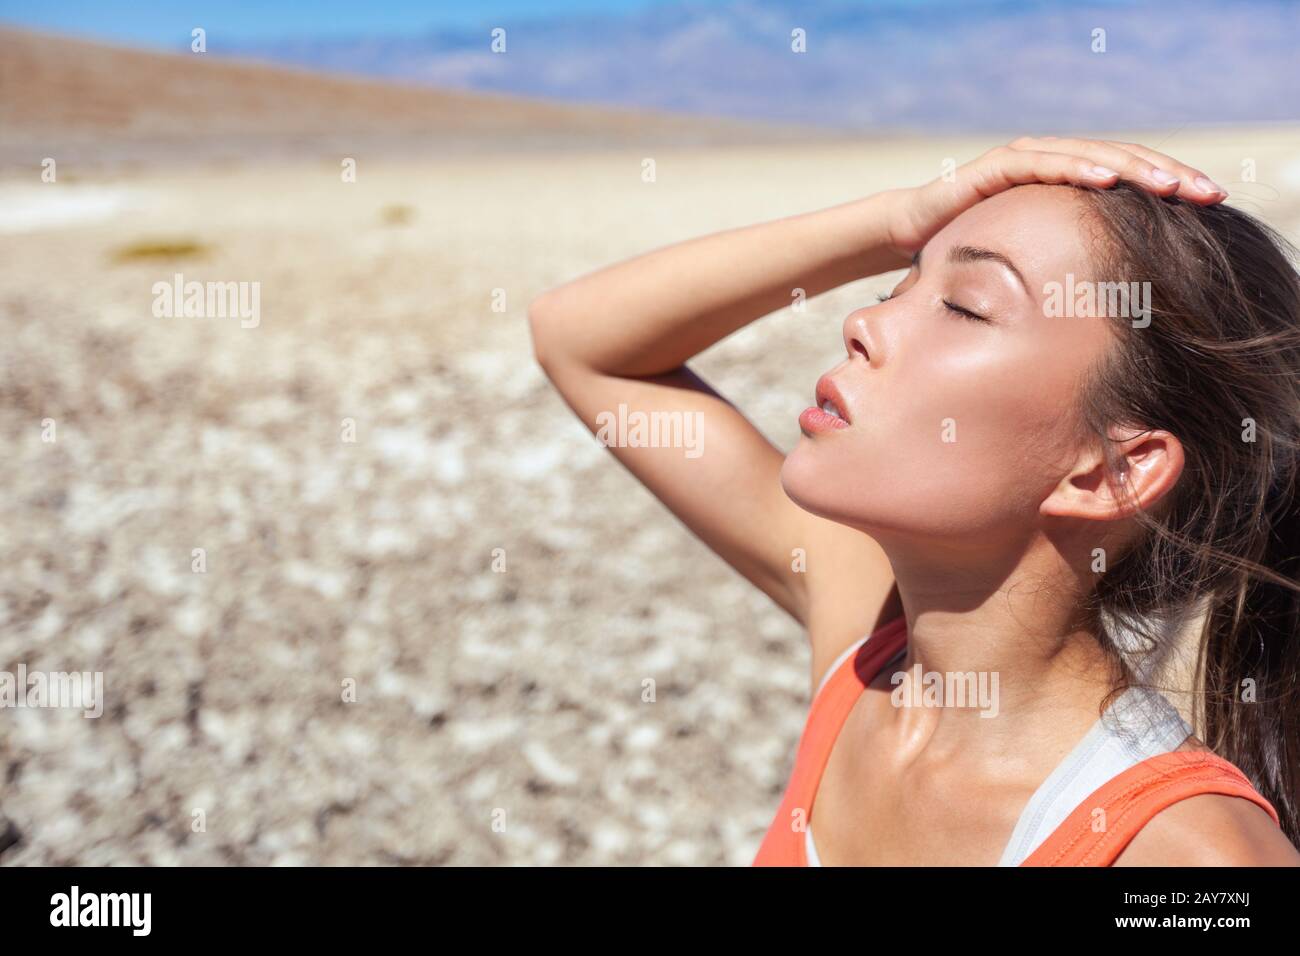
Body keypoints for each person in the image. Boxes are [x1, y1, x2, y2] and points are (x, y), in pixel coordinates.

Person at [527, 136, 1300, 865]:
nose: (862, 322)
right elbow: (579, 341)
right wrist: (898, 217)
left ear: (1112, 473)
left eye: (965, 305)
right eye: (896, 284)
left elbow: (586, 349)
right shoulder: (864, 649)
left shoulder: (1187, 855)